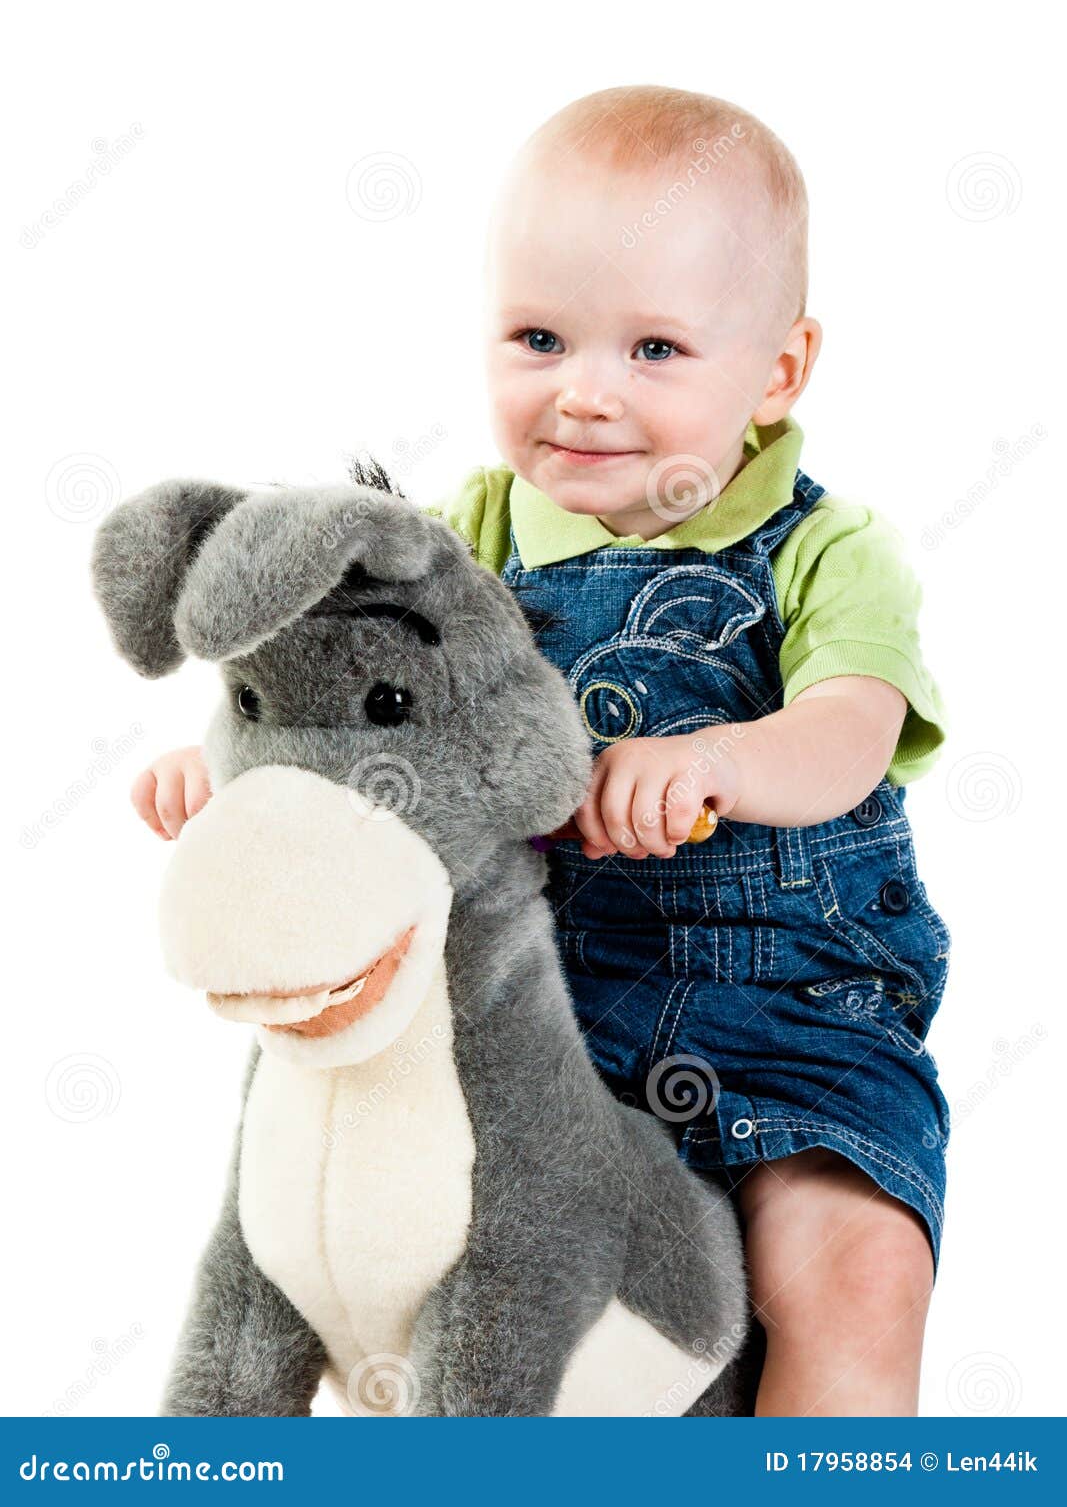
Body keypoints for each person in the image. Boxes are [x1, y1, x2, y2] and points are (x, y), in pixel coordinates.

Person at [131, 85, 952, 1415]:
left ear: (779, 371)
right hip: (525, 1014)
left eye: (655, 351)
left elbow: (849, 736)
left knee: (857, 1266)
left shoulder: (826, 549)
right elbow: (354, 698)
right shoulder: (465, 535)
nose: (584, 393)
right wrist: (243, 773)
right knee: (388, 1237)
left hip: (789, 1021)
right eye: (539, 336)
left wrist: (727, 760)